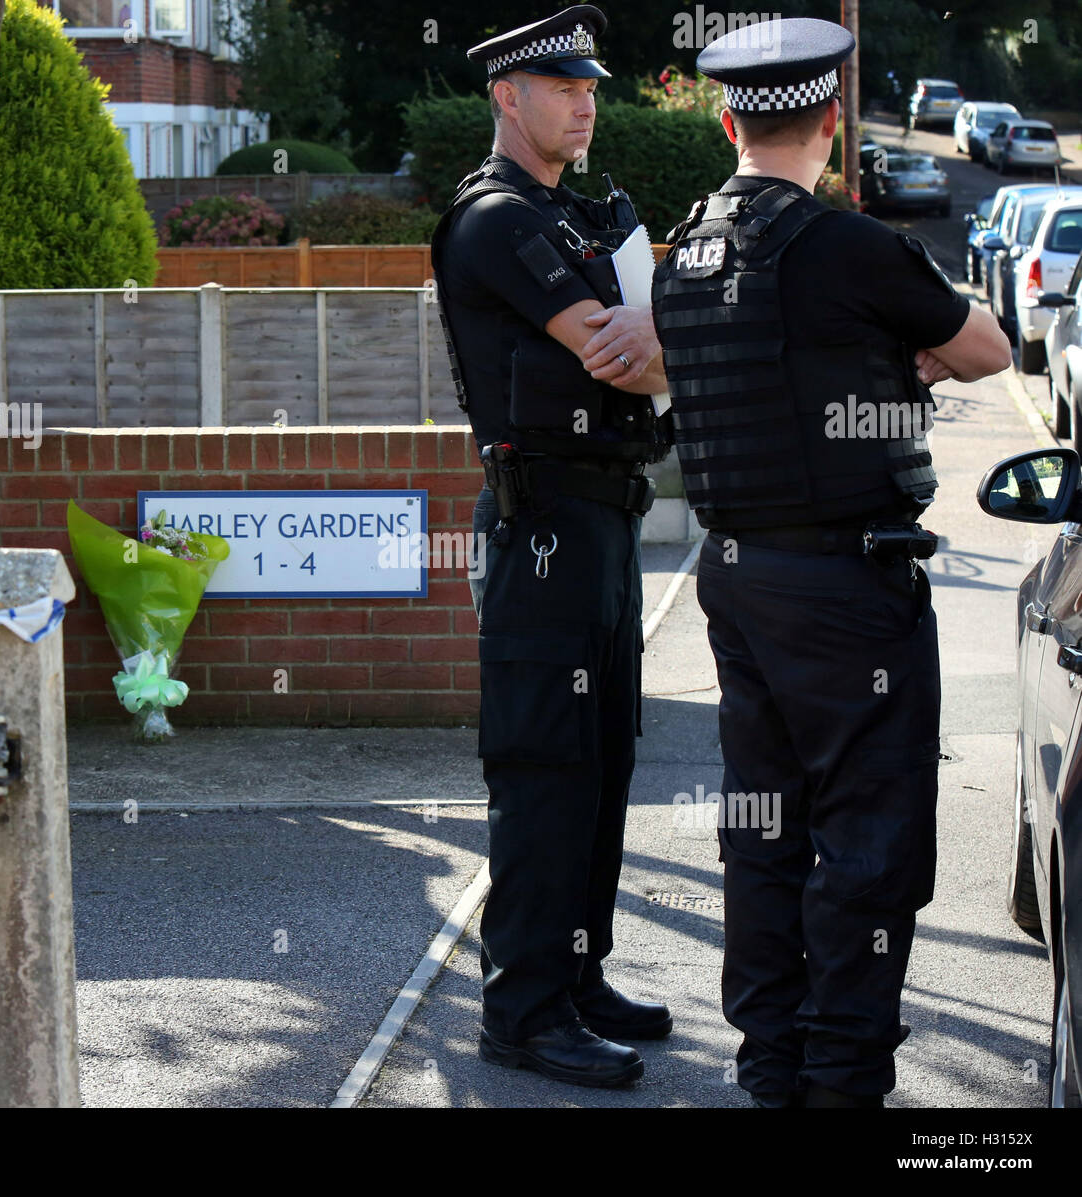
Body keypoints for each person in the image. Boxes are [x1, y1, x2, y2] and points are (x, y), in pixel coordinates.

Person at [650, 17, 1011, 1107]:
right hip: (848, 593)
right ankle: (843, 1076)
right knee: (869, 832)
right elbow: (986, 348)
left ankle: (771, 1061)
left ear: (725, 121)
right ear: (831, 124)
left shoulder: (689, 249)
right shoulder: (845, 245)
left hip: (737, 576)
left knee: (763, 821)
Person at [431, 5, 675, 1089]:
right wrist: (672, 348)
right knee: (542, 770)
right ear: (506, 97)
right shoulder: (499, 221)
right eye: (562, 85)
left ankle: (576, 974)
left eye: (592, 87)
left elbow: (641, 346)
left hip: (604, 518)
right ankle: (521, 1011)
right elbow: (614, 355)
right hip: (541, 530)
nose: (586, 101)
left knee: (603, 759)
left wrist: (660, 346)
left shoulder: (574, 215)